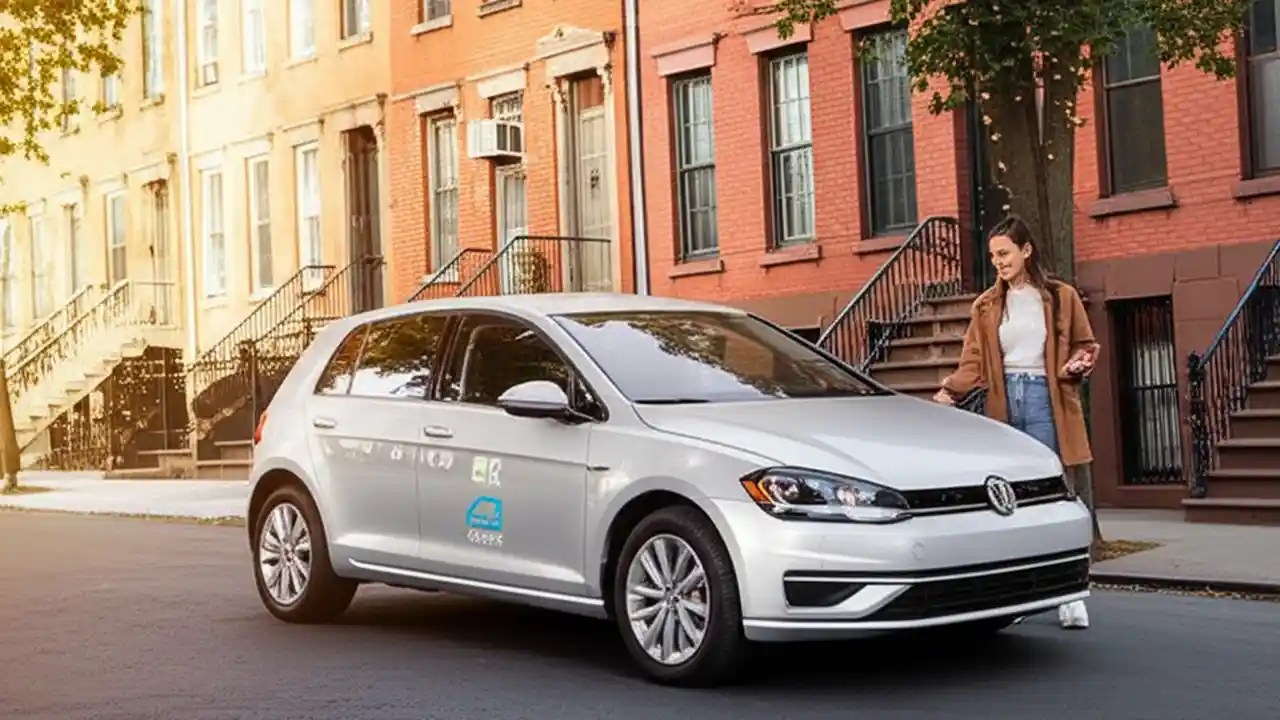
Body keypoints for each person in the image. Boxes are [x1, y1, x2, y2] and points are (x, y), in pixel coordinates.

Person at [932, 215, 1100, 630]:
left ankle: (1070, 594)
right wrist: (950, 392)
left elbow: (1085, 343)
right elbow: (973, 360)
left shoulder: (1061, 297)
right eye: (993, 257)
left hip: (1046, 399)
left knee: (1056, 495)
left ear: (1026, 251)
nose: (999, 263)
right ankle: (1021, 593)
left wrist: (1079, 362)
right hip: (1004, 402)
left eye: (1004, 253)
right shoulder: (986, 305)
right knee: (1010, 501)